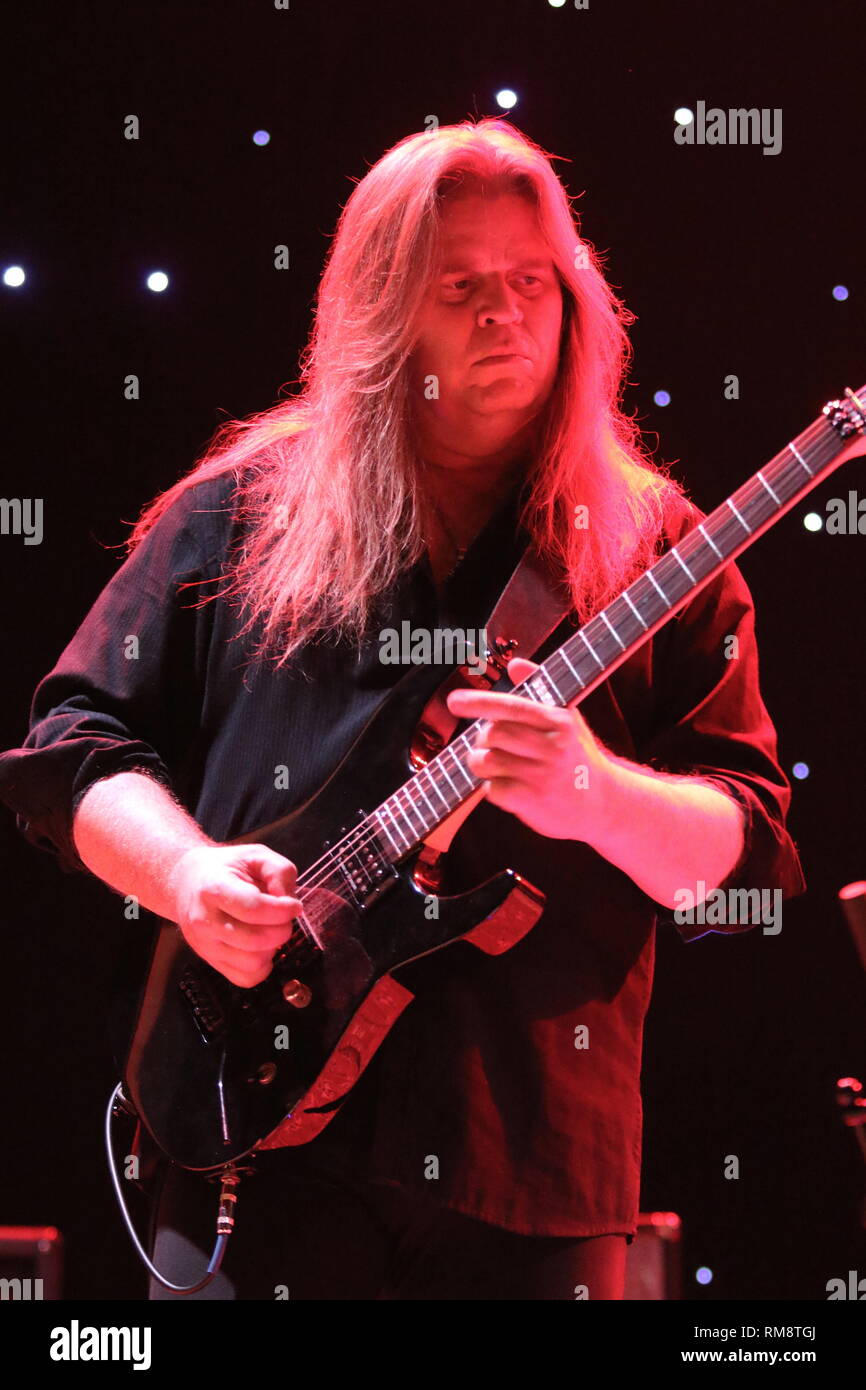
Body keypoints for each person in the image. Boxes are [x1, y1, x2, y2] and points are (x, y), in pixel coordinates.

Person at [0, 118, 806, 1300]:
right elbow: (69, 746)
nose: (505, 314)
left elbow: (745, 869)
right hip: (254, 1143)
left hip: (529, 1165)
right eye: (459, 287)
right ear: (383, 317)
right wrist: (184, 877)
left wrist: (593, 793)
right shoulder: (240, 513)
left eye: (532, 281)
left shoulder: (655, 552)